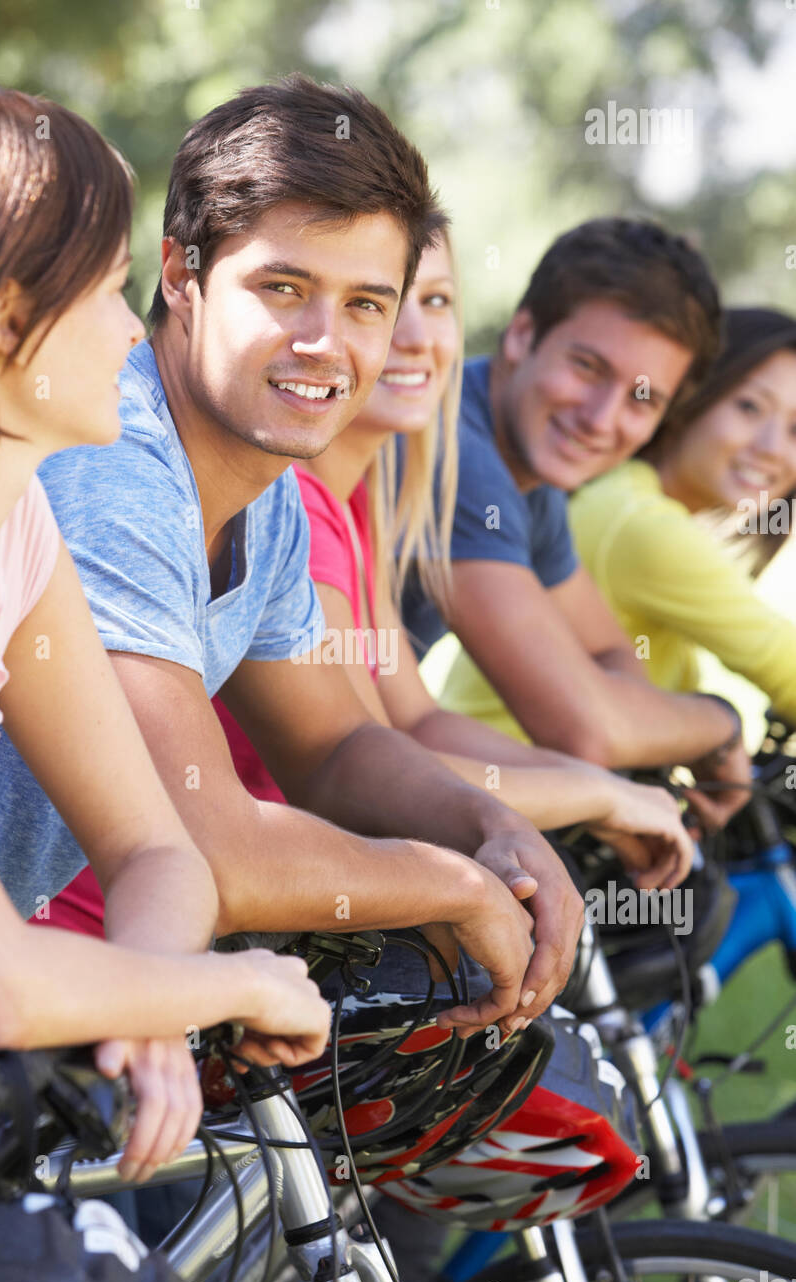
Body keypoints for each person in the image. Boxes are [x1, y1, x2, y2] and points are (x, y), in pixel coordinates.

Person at [0, 74, 585, 1043]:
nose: (324, 343)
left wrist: (491, 826)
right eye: (284, 288)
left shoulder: (266, 487)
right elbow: (203, 839)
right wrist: (457, 885)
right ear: (180, 275)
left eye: (366, 305)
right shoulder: (114, 466)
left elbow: (334, 745)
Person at [0, 76, 330, 1204]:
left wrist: (150, 992)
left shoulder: (11, 519)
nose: (133, 327)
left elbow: (154, 848)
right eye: (101, 289)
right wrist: (232, 987)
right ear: (2, 324)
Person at [215, 230, 693, 890]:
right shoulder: (294, 503)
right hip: (231, 897)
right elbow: (358, 763)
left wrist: (593, 789)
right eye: (375, 302)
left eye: (436, 301)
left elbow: (417, 721)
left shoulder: (361, 505)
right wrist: (598, 795)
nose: (413, 335)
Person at [402, 218, 753, 831]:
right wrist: (719, 724)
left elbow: (609, 654)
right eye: (588, 368)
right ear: (522, 333)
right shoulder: (458, 448)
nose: (600, 418)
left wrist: (617, 743)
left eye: (641, 399)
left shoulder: (533, 479)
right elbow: (584, 728)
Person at [569, 306, 796, 810]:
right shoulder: (642, 525)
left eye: (795, 431)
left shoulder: (628, 498)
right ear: (692, 395)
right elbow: (785, 667)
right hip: (531, 823)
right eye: (750, 408)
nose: (771, 449)